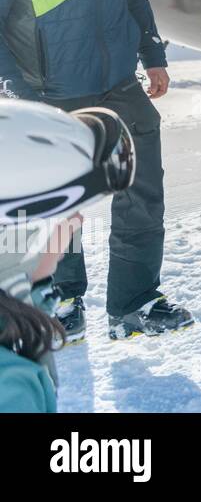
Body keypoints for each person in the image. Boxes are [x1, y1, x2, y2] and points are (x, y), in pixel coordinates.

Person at [0, 0, 193, 341]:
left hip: (118, 84)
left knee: (142, 190)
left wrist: (153, 54)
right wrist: (14, 88)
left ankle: (135, 303)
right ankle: (63, 300)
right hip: (50, 91)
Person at [1, 100, 137, 411]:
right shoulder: (9, 385)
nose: (78, 223)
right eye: (67, 214)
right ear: (18, 238)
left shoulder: (14, 320)